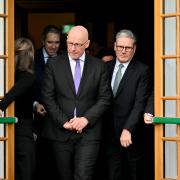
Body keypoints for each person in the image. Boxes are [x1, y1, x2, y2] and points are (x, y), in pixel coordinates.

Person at [40, 25, 111, 180]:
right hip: (60, 132)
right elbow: (47, 97)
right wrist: (64, 122)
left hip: (89, 133)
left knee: (83, 176)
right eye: (70, 43)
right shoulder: (53, 64)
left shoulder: (99, 66)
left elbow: (105, 98)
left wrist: (86, 119)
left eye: (77, 44)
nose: (72, 48)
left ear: (87, 44)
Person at [105, 29, 150, 180]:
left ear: (134, 48)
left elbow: (140, 103)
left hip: (131, 134)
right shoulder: (105, 67)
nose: (123, 51)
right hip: (107, 133)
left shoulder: (142, 70)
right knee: (112, 173)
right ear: (114, 45)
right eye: (120, 47)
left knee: (134, 172)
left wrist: (127, 128)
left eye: (128, 48)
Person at [0, 37, 36, 180]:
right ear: (30, 56)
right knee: (26, 171)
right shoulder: (27, 77)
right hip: (23, 130)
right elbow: (12, 96)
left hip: (8, 128)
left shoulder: (6, 76)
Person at [33, 24, 61, 179]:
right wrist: (35, 104)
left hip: (59, 119)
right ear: (43, 41)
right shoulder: (32, 58)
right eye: (50, 42)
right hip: (37, 119)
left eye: (57, 42)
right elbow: (25, 86)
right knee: (38, 161)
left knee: (58, 162)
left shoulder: (65, 59)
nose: (53, 46)